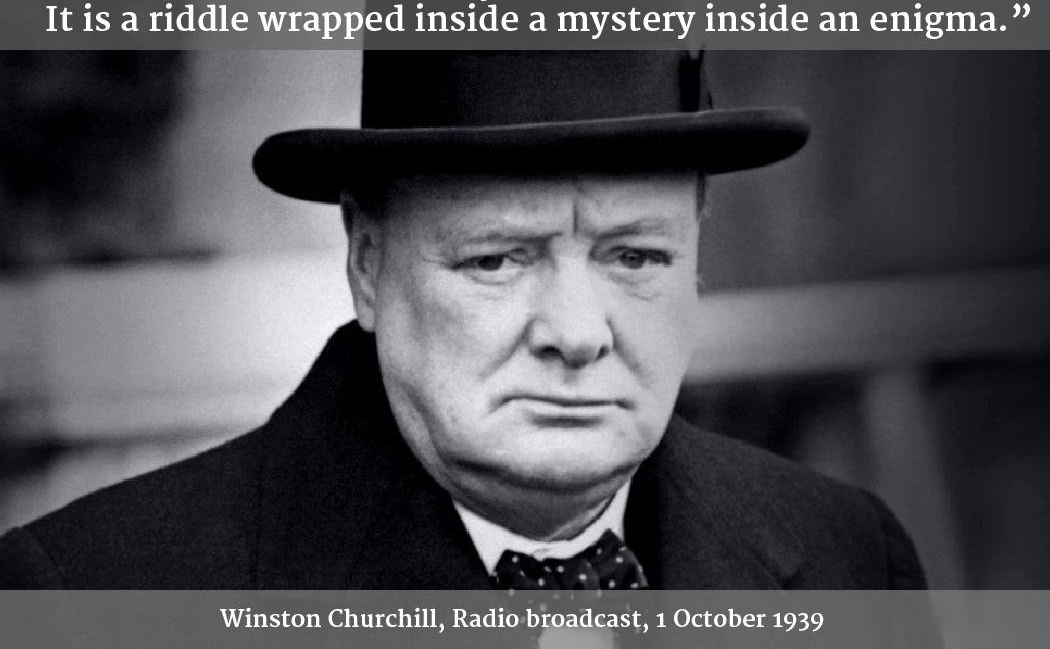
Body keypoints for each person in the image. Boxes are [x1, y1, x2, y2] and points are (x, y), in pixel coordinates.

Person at [0, 46, 927, 590]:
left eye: (636, 256)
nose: (578, 331)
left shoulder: (852, 553)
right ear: (368, 260)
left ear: (699, 246)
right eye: (497, 259)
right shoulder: (88, 595)